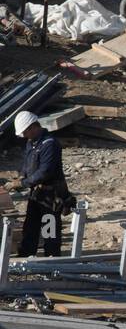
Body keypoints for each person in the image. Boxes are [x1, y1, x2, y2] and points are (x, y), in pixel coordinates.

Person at [8, 110, 68, 257]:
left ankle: (52, 259)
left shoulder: (50, 144)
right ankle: (26, 255)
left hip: (50, 196)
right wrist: (22, 175)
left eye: (25, 132)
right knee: (30, 227)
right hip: (37, 194)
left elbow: (44, 172)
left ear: (33, 127)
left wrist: (22, 183)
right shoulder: (32, 143)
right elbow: (28, 164)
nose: (24, 136)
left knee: (50, 230)